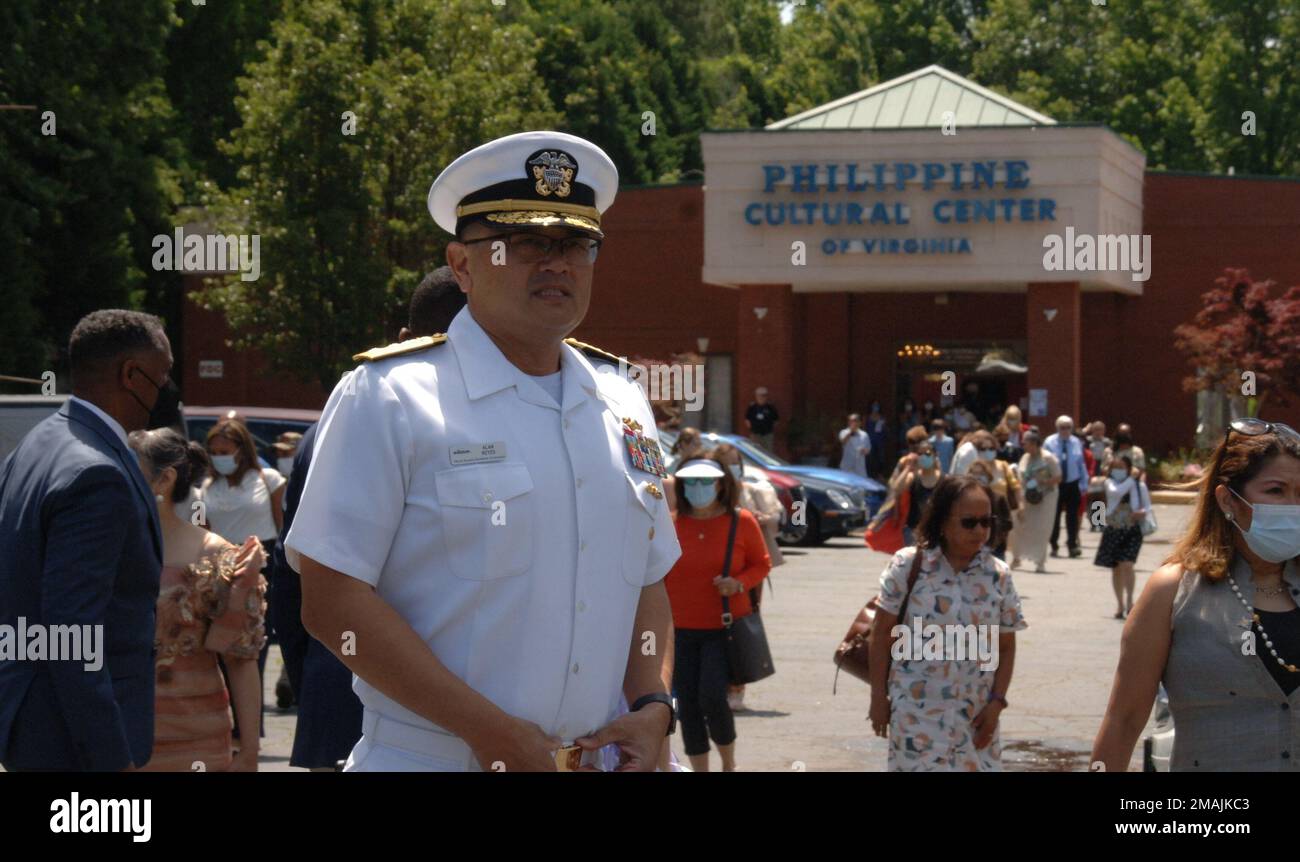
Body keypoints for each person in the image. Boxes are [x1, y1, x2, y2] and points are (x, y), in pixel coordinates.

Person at [285, 130, 680, 771]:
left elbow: (645, 578)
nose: (556, 263)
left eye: (577, 244)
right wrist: (490, 733)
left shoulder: (621, 399)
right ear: (463, 265)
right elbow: (332, 601)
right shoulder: (390, 396)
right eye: (525, 243)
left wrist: (654, 707)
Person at [284, 266, 466, 771]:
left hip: (344, 681)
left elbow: (289, 577)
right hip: (376, 697)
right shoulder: (363, 408)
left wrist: (303, 676)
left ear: (405, 337)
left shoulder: (324, 431)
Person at [0, 310, 174, 771]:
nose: (166, 387)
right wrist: (109, 757)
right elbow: (71, 633)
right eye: (164, 373)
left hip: (33, 720)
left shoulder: (36, 444)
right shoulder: (98, 471)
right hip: (72, 740)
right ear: (130, 374)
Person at [1091, 418, 1300, 771]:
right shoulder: (1172, 592)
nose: (1293, 506)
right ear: (1227, 500)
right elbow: (1123, 720)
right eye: (1276, 491)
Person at [128, 429, 267, 771]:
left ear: (164, 481)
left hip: (199, 744)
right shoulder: (104, 550)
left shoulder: (218, 556)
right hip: (121, 743)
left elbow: (241, 659)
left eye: (128, 471)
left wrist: (249, 751)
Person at [867, 475, 1027, 771]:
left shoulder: (999, 576)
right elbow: (882, 634)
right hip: (916, 719)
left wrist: (996, 705)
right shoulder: (907, 565)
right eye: (969, 522)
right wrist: (878, 696)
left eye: (986, 521)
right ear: (942, 521)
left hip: (975, 720)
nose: (979, 531)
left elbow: (1005, 647)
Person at [664, 457, 771, 771]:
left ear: (722, 484)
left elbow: (761, 563)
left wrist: (738, 584)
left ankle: (728, 763)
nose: (698, 489)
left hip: (723, 629)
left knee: (712, 696)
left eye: (705, 482)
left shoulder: (742, 521)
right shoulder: (671, 523)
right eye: (691, 483)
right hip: (680, 631)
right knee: (688, 704)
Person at [197, 416, 286, 736]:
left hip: (261, 566)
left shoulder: (269, 479)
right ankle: (229, 723)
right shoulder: (206, 487)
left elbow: (281, 525)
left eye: (225, 450)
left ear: (241, 449)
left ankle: (250, 728)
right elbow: (202, 531)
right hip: (221, 567)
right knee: (221, 648)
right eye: (214, 451)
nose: (219, 456)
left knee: (254, 649)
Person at [711, 443, 783, 712]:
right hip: (717, 569)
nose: (733, 466)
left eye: (735, 461)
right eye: (727, 462)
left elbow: (778, 518)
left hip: (748, 568)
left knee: (744, 622)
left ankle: (738, 684)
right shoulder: (710, 492)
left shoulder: (751, 490)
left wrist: (762, 518)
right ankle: (718, 683)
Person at [1094, 456, 1146, 619]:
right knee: (1116, 568)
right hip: (1113, 528)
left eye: (1122, 467)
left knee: (1127, 564)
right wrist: (1132, 478)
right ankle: (1120, 603)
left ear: (1129, 467)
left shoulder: (1139, 486)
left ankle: (1130, 601)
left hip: (1132, 529)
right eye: (1115, 467)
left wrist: (1143, 512)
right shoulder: (1110, 483)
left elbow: (1147, 505)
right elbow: (1118, 492)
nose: (1118, 470)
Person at [1009, 431, 1062, 573]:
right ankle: (1016, 557)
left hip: (1045, 498)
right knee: (1019, 525)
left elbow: (1058, 477)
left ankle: (1040, 562)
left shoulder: (1048, 458)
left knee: (1041, 529)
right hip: (1027, 497)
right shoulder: (1025, 457)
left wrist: (1042, 481)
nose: (1023, 445)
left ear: (1033, 443)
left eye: (1025, 443)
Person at [1044, 415, 1087, 558]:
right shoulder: (1050, 442)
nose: (1066, 430)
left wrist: (1083, 484)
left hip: (1073, 483)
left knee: (1073, 517)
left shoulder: (1076, 442)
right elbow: (1044, 464)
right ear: (1057, 428)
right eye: (1062, 427)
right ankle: (1054, 545)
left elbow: (1081, 464)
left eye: (1068, 427)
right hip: (1056, 484)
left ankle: (1072, 545)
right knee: (1054, 516)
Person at [967, 447, 1018, 561]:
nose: (978, 477)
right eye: (974, 474)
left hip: (996, 550)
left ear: (988, 476)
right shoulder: (964, 501)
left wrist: (996, 537)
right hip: (972, 550)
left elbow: (1008, 523)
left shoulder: (999, 498)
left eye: (981, 474)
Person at [837, 413, 871, 478]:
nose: (853, 423)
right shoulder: (844, 432)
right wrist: (851, 432)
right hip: (846, 467)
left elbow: (868, 450)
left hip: (860, 468)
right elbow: (843, 442)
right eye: (851, 421)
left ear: (859, 423)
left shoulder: (864, 435)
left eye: (855, 421)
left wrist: (864, 450)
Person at [745, 387, 779, 453]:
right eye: (759, 396)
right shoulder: (752, 407)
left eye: (763, 396)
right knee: (755, 451)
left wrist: (769, 428)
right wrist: (753, 429)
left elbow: (776, 420)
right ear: (756, 396)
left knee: (768, 452)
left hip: (767, 434)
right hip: (755, 434)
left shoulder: (770, 407)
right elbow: (747, 420)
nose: (761, 398)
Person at [865, 403, 888, 478]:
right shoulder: (867, 418)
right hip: (870, 441)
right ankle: (870, 475)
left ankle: (880, 474)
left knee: (881, 458)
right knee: (870, 459)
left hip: (879, 442)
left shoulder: (882, 418)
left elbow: (885, 430)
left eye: (877, 406)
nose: (875, 408)